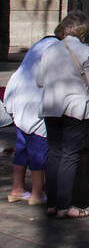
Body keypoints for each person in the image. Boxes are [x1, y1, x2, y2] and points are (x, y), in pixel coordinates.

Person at [36, 11, 89, 219]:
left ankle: (52, 203)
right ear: (83, 31)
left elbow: (40, 81)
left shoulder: (50, 50)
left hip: (51, 107)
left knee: (54, 153)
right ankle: (65, 206)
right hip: (74, 108)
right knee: (70, 156)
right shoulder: (85, 52)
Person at [5, 33, 57, 205]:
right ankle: (37, 192)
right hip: (34, 105)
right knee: (38, 149)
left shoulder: (30, 59)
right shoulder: (54, 50)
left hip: (18, 101)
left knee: (22, 148)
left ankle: (17, 188)